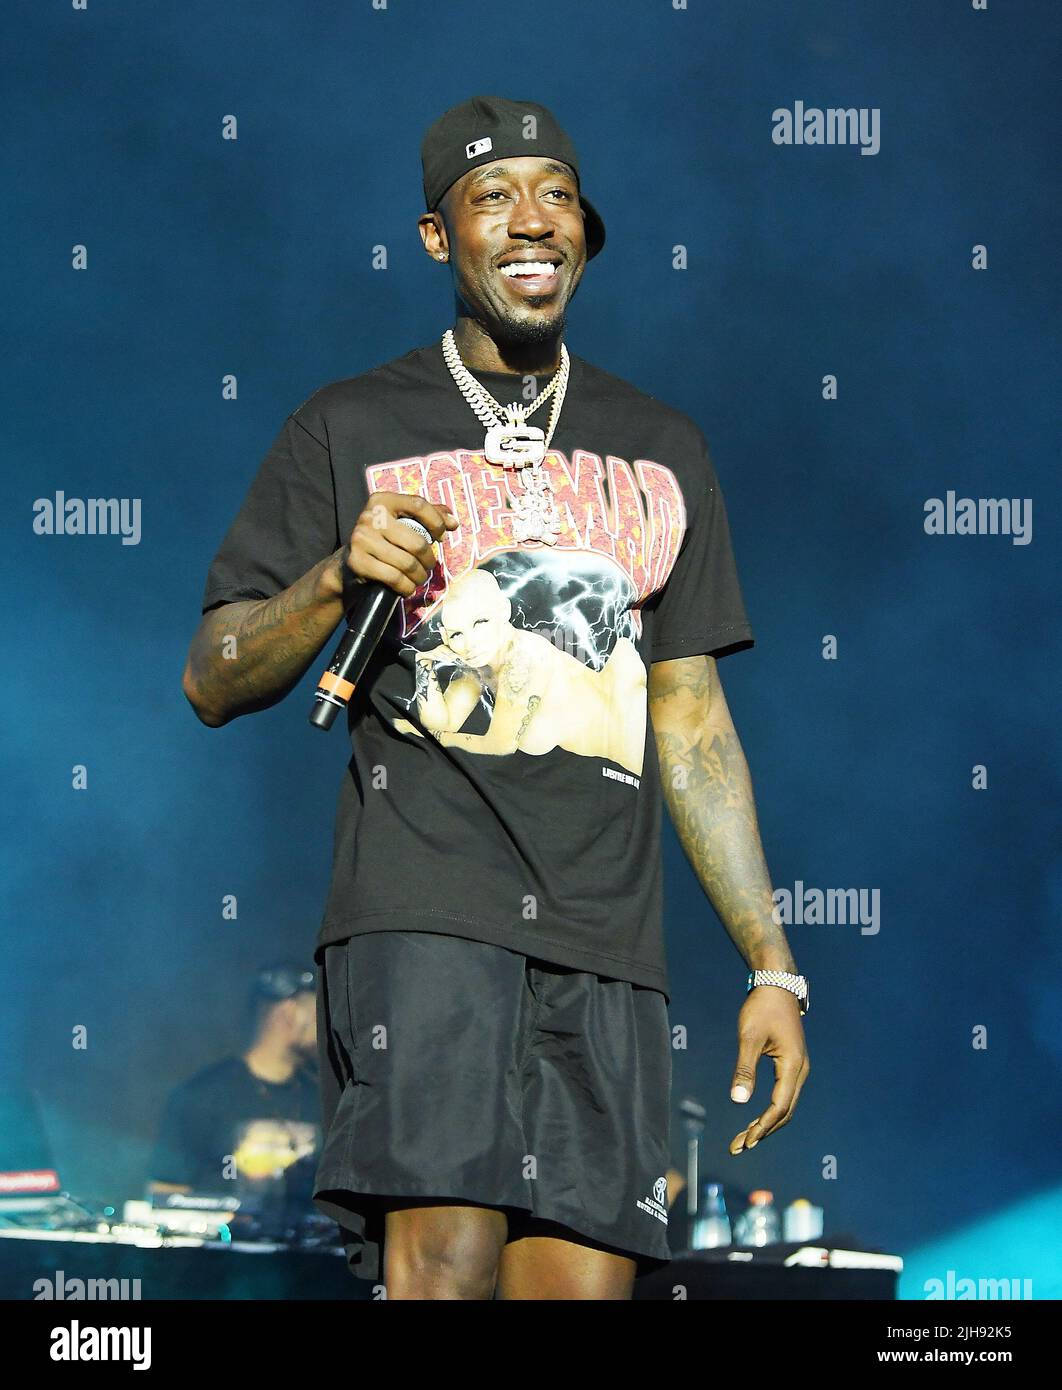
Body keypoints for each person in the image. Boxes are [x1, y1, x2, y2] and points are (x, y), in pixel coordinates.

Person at [182, 94, 810, 1300]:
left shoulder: (662, 443)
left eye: (557, 197)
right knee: (447, 1267)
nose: (533, 222)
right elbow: (211, 677)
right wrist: (330, 578)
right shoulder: (350, 422)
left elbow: (692, 724)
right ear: (437, 238)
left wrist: (772, 967)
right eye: (494, 198)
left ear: (586, 231)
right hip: (426, 909)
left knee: (581, 1289)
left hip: (605, 929)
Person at [148, 965, 319, 1198]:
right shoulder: (202, 1095)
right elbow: (165, 1191)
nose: (326, 1025)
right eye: (317, 1011)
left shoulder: (324, 1098)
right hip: (223, 1235)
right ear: (290, 1013)